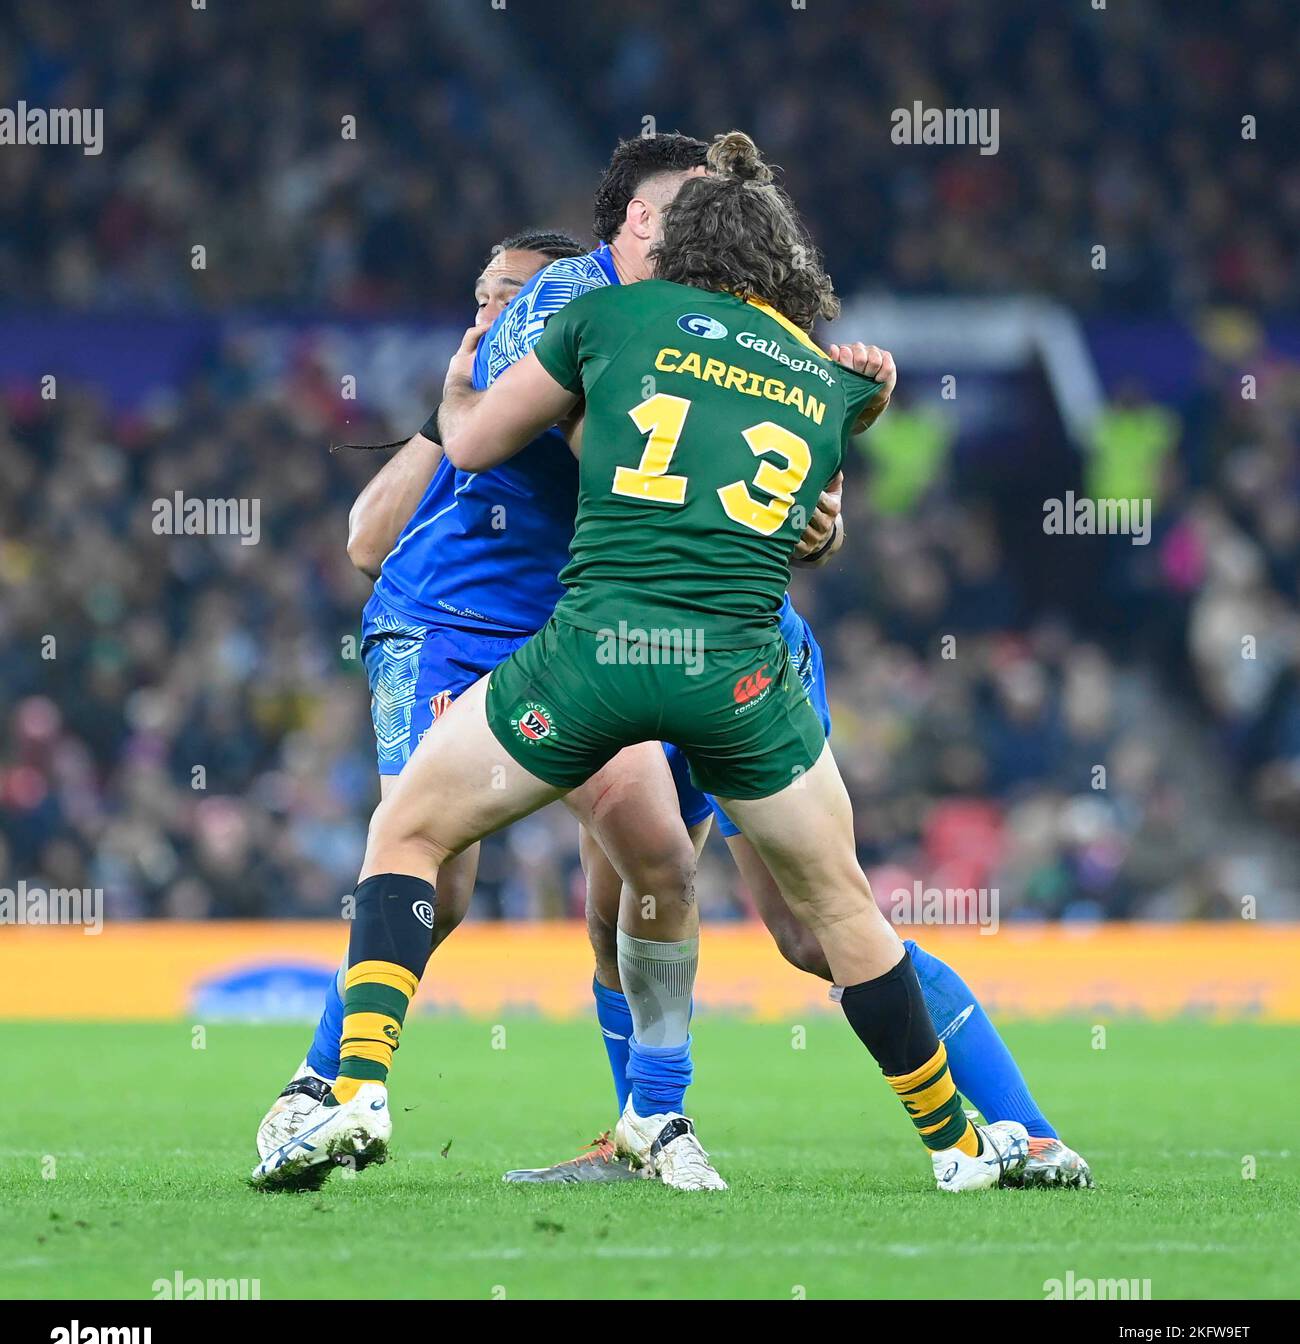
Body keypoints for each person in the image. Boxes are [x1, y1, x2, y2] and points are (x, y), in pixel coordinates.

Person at [253, 131, 1036, 1195]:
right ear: (630, 220)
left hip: (613, 630)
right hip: (515, 619)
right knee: (461, 878)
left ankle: (658, 1119)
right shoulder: (589, 301)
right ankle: (326, 1089)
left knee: (703, 887)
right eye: (485, 296)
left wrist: (819, 515)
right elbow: (418, 507)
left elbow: (780, 504)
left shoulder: (633, 322)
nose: (495, 311)